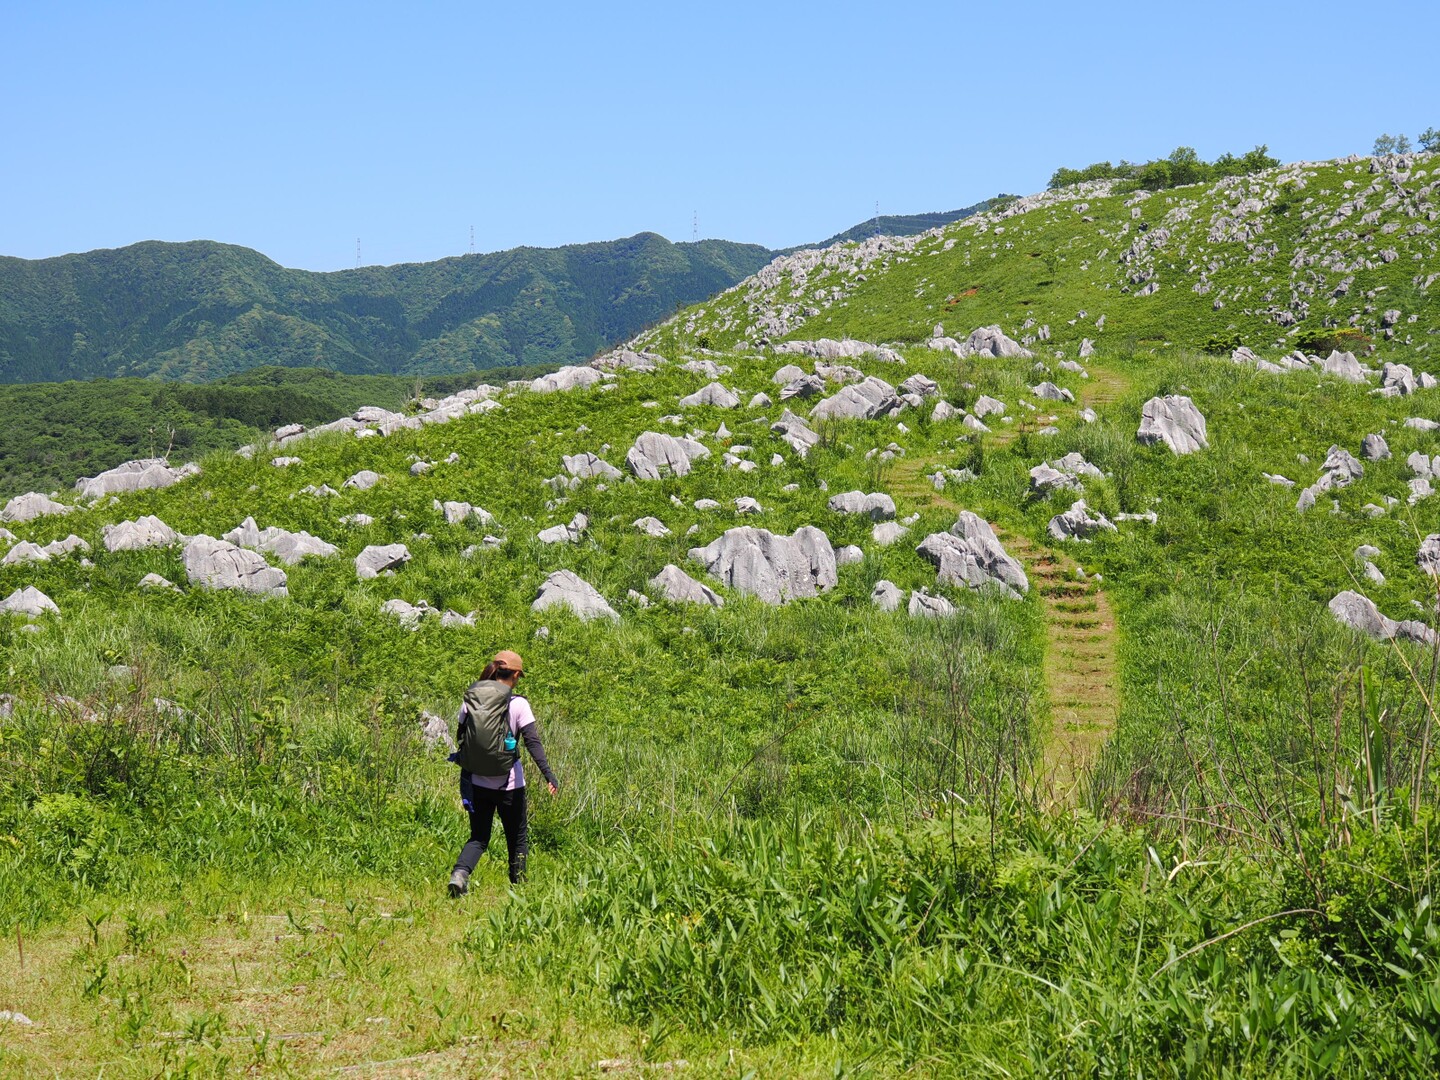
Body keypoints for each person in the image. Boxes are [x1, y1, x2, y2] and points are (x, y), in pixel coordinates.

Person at [448, 649, 558, 896]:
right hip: (510, 784)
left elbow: (461, 737)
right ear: (516, 674)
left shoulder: (471, 699)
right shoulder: (518, 703)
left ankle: (459, 874)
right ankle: (518, 890)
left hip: (476, 781)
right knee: (517, 837)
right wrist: (548, 775)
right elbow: (532, 743)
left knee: (478, 837)